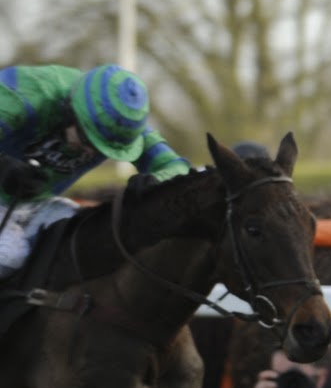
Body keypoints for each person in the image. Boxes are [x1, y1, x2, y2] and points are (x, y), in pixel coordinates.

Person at [0, 64, 190, 278]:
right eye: (87, 140)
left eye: (102, 148)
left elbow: (177, 169)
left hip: (35, 203)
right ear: (69, 111)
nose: (90, 151)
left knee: (94, 238)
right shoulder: (21, 97)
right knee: (9, 256)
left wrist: (154, 180)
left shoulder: (120, 123)